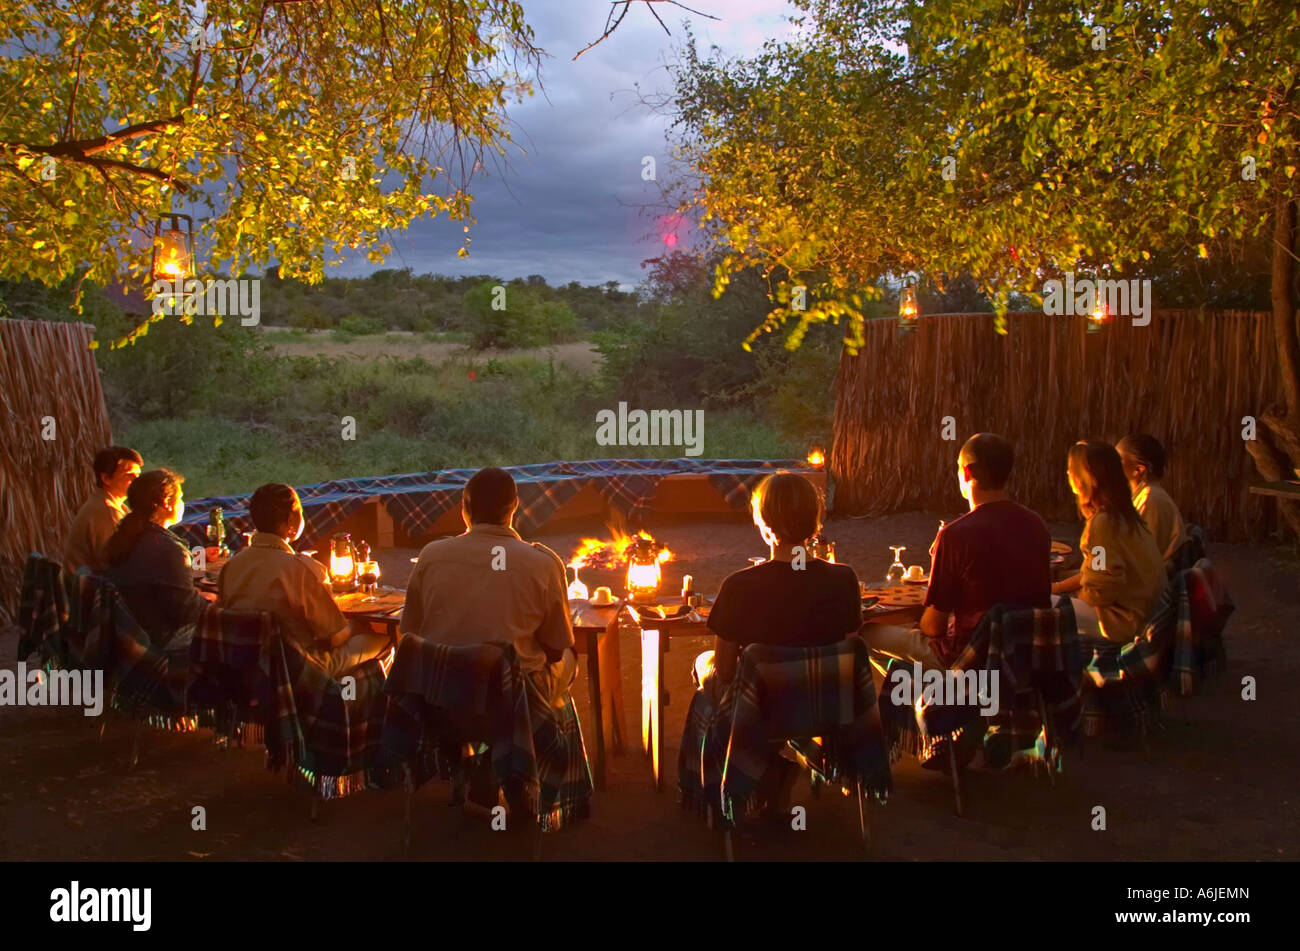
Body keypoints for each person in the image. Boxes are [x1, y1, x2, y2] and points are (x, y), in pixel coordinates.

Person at [400, 467, 577, 814]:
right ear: (514, 506)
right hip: (512, 711)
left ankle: (474, 763)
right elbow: (555, 648)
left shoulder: (431, 555)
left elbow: (410, 636)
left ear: (464, 507)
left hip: (441, 704)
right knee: (570, 658)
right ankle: (533, 773)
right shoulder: (542, 563)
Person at [692, 472, 861, 820]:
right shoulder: (843, 579)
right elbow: (850, 654)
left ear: (764, 524)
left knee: (703, 670)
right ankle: (779, 771)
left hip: (760, 713)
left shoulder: (740, 586)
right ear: (814, 522)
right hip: (826, 709)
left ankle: (728, 783)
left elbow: (724, 671)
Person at [863, 433, 1051, 670]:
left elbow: (934, 627)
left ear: (967, 473)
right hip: (1025, 655)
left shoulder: (956, 535)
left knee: (865, 635)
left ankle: (930, 695)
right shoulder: (1036, 525)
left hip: (969, 658)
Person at [218, 483, 391, 676]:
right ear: (292, 519)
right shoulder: (302, 569)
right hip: (299, 669)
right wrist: (355, 626)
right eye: (301, 510)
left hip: (246, 669)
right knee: (382, 640)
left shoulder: (231, 567)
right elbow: (335, 637)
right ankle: (349, 701)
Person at [1051, 441, 1166, 643]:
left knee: (1036, 609)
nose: (1067, 474)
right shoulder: (1125, 516)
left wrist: (1073, 597)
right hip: (1144, 612)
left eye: (1071, 470)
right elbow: (1099, 570)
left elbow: (1100, 591)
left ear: (1086, 478)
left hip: (1122, 622)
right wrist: (1059, 587)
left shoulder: (1102, 525)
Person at [102, 468, 206, 651]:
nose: (182, 503)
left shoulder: (127, 537)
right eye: (180, 498)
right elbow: (188, 611)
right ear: (167, 502)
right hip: (158, 639)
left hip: (128, 631)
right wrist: (214, 601)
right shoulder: (166, 548)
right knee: (228, 626)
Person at [63, 446, 142, 574]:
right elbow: (114, 563)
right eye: (129, 475)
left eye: (138, 475)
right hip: (89, 590)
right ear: (106, 479)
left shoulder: (111, 504)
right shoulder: (105, 511)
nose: (136, 481)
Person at [1116, 433, 1185, 565]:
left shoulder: (1151, 500)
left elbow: (1138, 558)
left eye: (1117, 459)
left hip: (1146, 581)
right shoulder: (1144, 496)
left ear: (1138, 469)